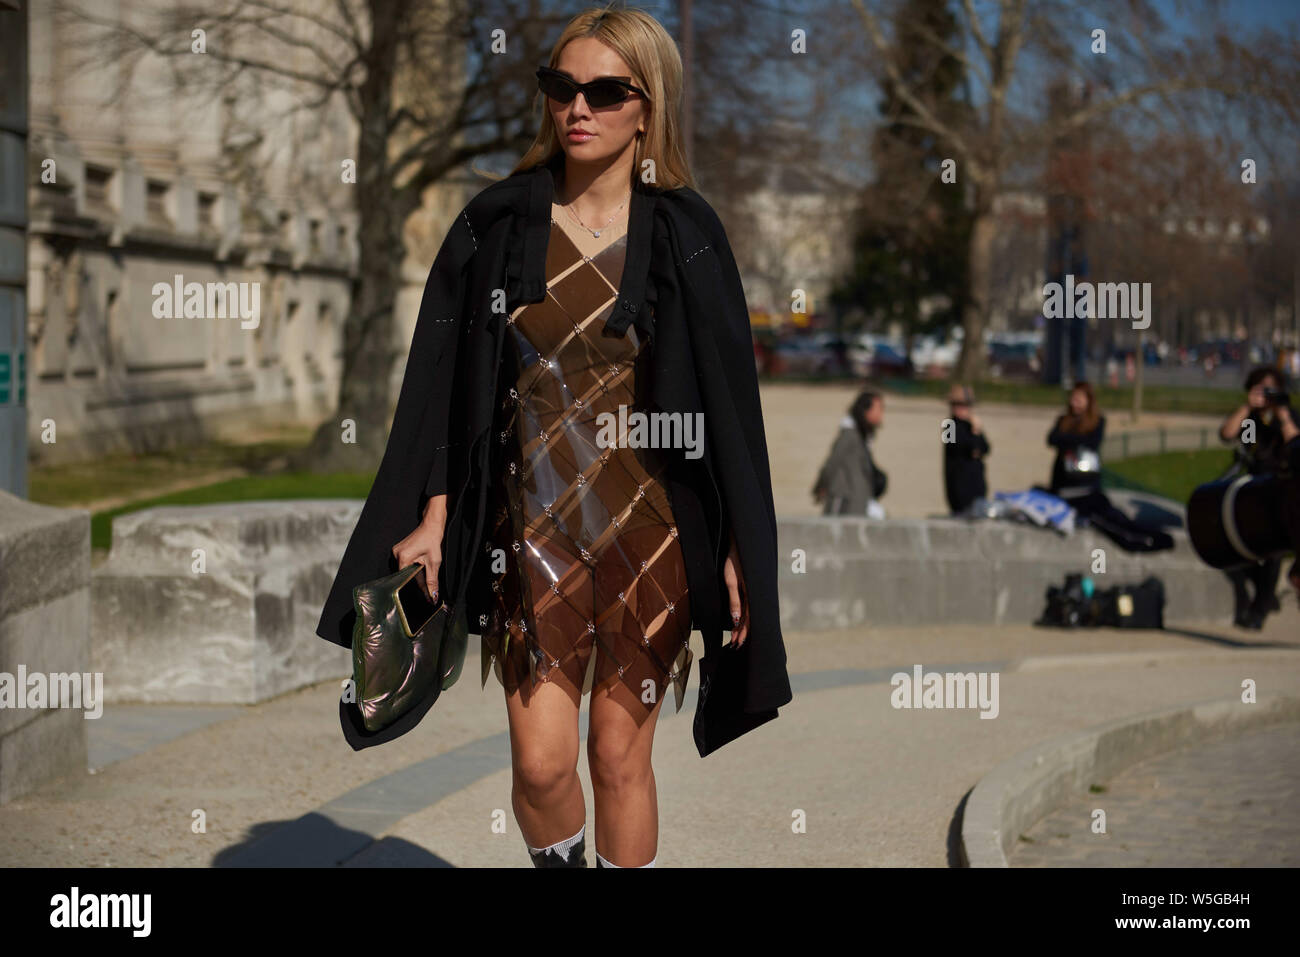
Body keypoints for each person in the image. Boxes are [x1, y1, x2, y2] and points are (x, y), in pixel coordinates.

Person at [316, 7, 791, 868]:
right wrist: (433, 510)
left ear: (647, 108)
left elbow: (729, 409)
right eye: (561, 86)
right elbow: (441, 390)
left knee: (618, 756)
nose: (579, 107)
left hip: (651, 536)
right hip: (528, 533)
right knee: (540, 766)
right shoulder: (495, 228)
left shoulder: (688, 236)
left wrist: (732, 547)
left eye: (606, 91)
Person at [1046, 382, 1174, 551]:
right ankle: (1139, 541)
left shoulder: (1096, 421)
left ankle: (1153, 537)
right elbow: (1052, 439)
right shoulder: (1064, 420)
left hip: (1088, 486)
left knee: (1114, 514)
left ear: (1088, 401)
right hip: (1066, 489)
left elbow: (1091, 443)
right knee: (1102, 518)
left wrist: (1068, 440)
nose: (1074, 402)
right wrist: (1074, 440)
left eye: (1078, 399)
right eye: (1073, 398)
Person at [1218, 366, 1297, 628]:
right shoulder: (1250, 419)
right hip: (1251, 488)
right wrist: (1246, 407)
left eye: (1271, 390)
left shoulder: (1285, 416)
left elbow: (1296, 446)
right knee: (1237, 547)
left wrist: (1282, 414)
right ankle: (1262, 597)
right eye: (1261, 389)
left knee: (1273, 551)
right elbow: (1227, 434)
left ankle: (1259, 610)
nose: (1266, 395)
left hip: (1281, 489)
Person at [812, 389, 887, 517]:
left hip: (857, 503)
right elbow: (832, 462)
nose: (881, 414)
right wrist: (821, 486)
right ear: (865, 410)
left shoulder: (862, 436)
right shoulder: (849, 434)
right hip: (842, 502)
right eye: (879, 409)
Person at [943, 383, 990, 515]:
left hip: (977, 488)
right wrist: (974, 440)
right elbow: (956, 447)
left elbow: (985, 448)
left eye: (966, 406)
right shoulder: (948, 426)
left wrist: (976, 432)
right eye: (958, 405)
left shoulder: (972, 425)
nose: (962, 409)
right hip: (959, 490)